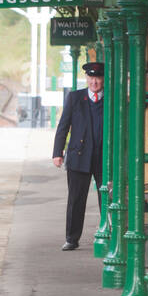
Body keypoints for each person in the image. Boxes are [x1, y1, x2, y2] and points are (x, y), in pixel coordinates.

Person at [52, 61, 105, 251]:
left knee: (106, 198)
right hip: (78, 157)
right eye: (91, 78)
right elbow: (63, 126)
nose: (94, 82)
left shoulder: (111, 100)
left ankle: (107, 234)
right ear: (86, 79)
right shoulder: (75, 98)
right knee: (76, 199)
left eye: (98, 78)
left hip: (103, 158)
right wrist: (57, 152)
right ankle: (71, 238)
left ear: (103, 79)